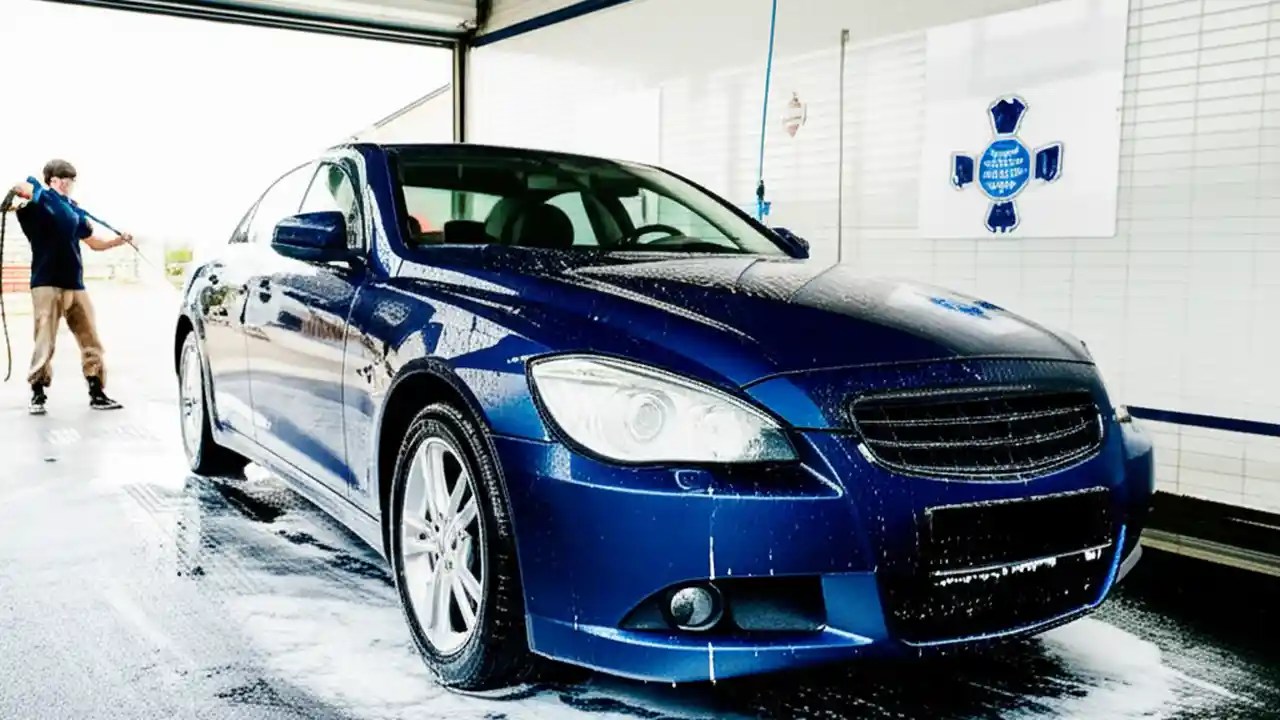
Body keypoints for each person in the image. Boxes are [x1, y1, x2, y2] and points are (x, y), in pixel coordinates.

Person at [7, 159, 133, 414]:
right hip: (45, 282)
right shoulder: (39, 203)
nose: (69, 184)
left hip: (74, 283)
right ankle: (38, 392)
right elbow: (20, 190)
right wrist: (22, 194)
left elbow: (94, 243)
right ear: (52, 180)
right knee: (45, 339)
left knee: (91, 339)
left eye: (71, 180)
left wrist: (118, 242)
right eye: (64, 179)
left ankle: (97, 391)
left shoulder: (72, 211)